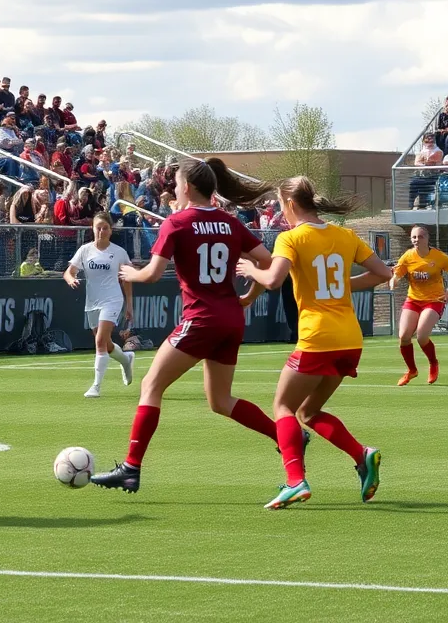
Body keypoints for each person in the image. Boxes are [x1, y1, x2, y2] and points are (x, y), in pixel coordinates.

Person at [90, 158, 279, 494]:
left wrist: (132, 274)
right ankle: (285, 435)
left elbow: (151, 273)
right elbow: (267, 262)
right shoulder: (229, 222)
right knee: (220, 400)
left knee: (150, 385)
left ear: (187, 187)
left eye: (176, 183)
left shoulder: (177, 222)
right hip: (231, 319)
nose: (173, 188)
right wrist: (250, 294)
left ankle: (131, 468)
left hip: (201, 319)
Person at [236, 177, 392, 510]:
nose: (281, 211)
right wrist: (340, 287)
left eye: (280, 204)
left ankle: (295, 482)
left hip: (317, 337)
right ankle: (362, 455)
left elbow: (274, 280)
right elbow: (383, 273)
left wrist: (252, 270)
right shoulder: (344, 235)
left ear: (291, 204)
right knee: (309, 411)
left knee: (283, 408)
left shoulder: (290, 238)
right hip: (349, 338)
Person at [65, 212, 135, 398]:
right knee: (106, 343)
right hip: (92, 302)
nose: (101, 231)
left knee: (99, 342)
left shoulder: (119, 252)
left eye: (105, 228)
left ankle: (96, 386)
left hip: (112, 299)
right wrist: (71, 279)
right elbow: (68, 272)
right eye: (98, 228)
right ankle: (126, 359)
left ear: (111, 231)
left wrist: (129, 305)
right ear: (93, 229)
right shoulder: (85, 250)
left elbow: (126, 279)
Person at [388, 225, 448, 386]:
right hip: (413, 300)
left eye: (420, 237)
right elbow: (398, 272)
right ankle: (411, 370)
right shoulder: (408, 256)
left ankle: (433, 363)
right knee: (404, 336)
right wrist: (394, 280)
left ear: (427, 239)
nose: (416, 240)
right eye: (414, 237)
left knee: (421, 336)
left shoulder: (438, 256)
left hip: (434, 300)